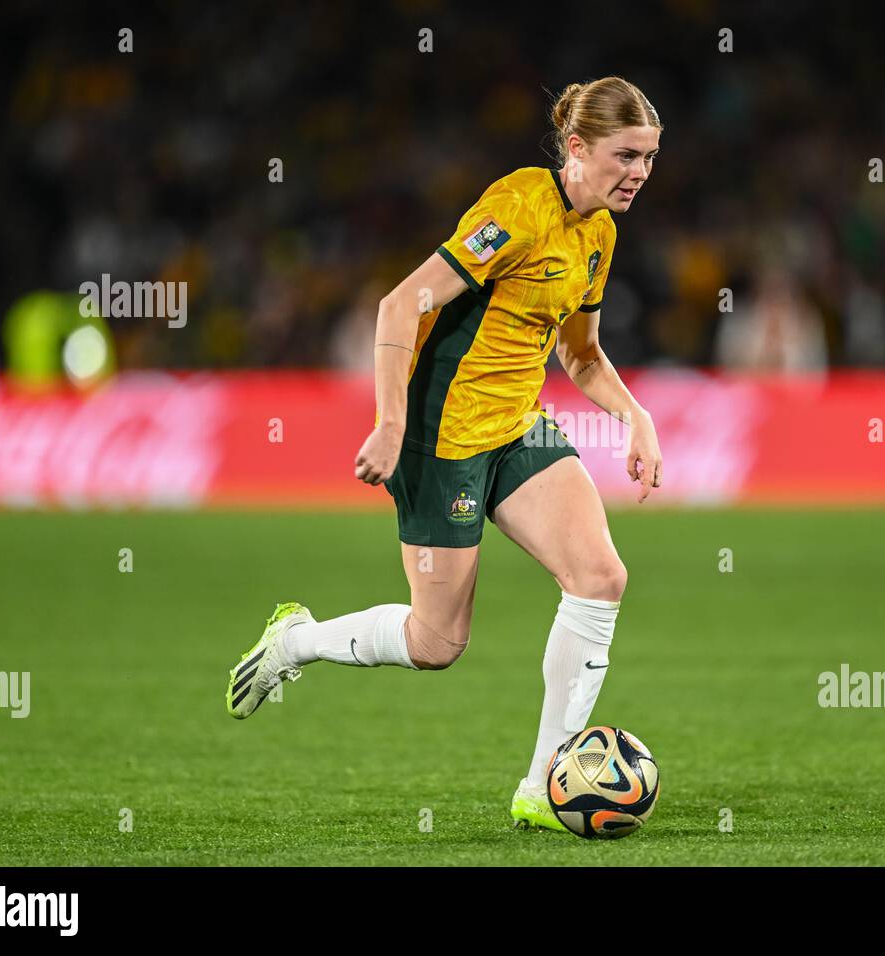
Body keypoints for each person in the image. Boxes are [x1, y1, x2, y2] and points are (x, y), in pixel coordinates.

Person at [225, 77, 665, 831]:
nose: (639, 173)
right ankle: (295, 640)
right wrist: (390, 424)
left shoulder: (599, 233)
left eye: (651, 157)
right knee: (437, 644)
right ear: (578, 147)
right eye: (626, 154)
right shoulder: (518, 207)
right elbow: (402, 304)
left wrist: (636, 415)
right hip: (442, 440)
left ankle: (544, 786)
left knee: (600, 576)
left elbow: (582, 356)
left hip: (516, 429)